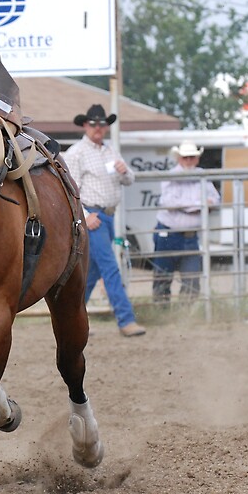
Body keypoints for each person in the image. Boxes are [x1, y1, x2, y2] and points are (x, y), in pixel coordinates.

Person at [63, 104, 146, 337]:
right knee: (109, 267)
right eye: (93, 124)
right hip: (93, 216)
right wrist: (84, 215)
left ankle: (71, 320)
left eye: (102, 124)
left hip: (107, 216)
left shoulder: (110, 150)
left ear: (106, 126)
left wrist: (124, 172)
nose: (98, 128)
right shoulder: (77, 152)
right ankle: (126, 319)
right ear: (85, 125)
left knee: (92, 272)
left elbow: (130, 179)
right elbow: (70, 188)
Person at [151, 141, 221, 306]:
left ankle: (184, 313)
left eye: (192, 157)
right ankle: (161, 312)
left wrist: (188, 206)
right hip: (169, 233)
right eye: (186, 157)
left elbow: (215, 199)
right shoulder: (170, 175)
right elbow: (169, 203)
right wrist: (200, 204)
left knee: (192, 279)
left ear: (196, 159)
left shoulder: (201, 175)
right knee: (163, 276)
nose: (189, 160)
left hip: (190, 236)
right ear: (179, 158)